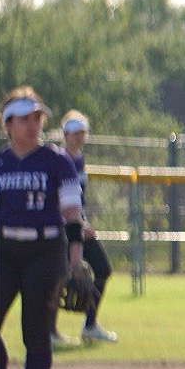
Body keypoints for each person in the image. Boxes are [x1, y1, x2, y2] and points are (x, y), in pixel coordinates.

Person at [0, 88, 88, 369]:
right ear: (8, 124)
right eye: (25, 119)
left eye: (37, 118)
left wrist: (76, 258)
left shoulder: (57, 161)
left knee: (34, 330)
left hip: (45, 251)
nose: (33, 125)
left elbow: (71, 212)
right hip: (3, 248)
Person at [50, 110, 117, 347]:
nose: (78, 138)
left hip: (79, 225)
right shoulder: (59, 159)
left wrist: (84, 221)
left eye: (82, 133)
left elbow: (78, 200)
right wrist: (78, 222)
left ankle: (89, 326)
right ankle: (50, 331)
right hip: (61, 228)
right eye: (73, 133)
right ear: (65, 134)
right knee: (59, 277)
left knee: (102, 269)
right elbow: (56, 199)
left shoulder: (78, 159)